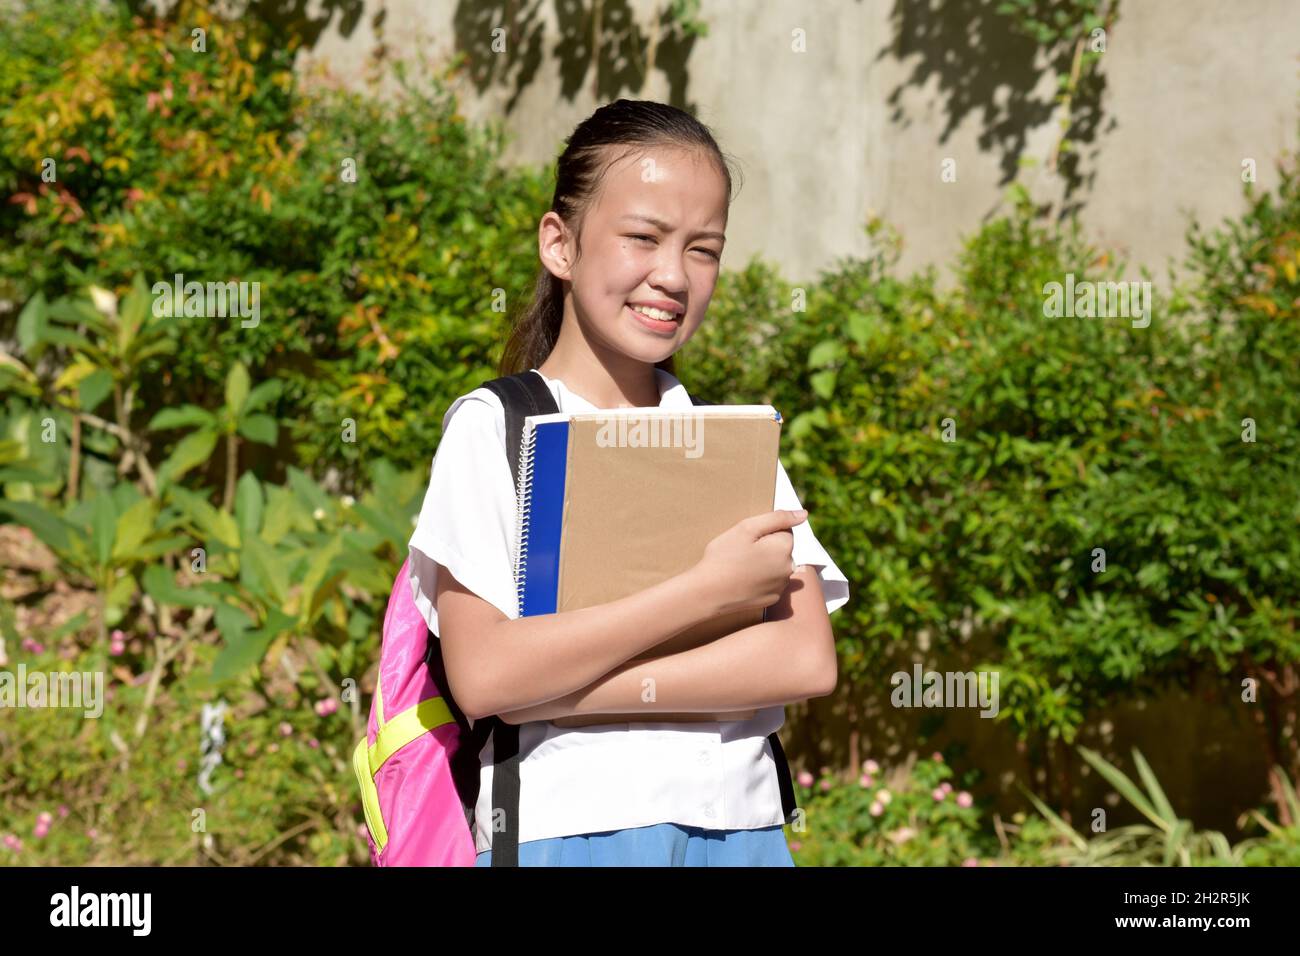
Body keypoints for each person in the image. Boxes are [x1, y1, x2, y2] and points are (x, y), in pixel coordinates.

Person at [408, 99, 850, 866]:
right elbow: (483, 677)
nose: (674, 275)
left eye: (704, 249)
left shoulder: (732, 442)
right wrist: (704, 596)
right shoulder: (494, 428)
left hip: (741, 832)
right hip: (560, 834)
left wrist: (552, 684)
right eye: (642, 237)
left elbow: (804, 659)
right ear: (560, 244)